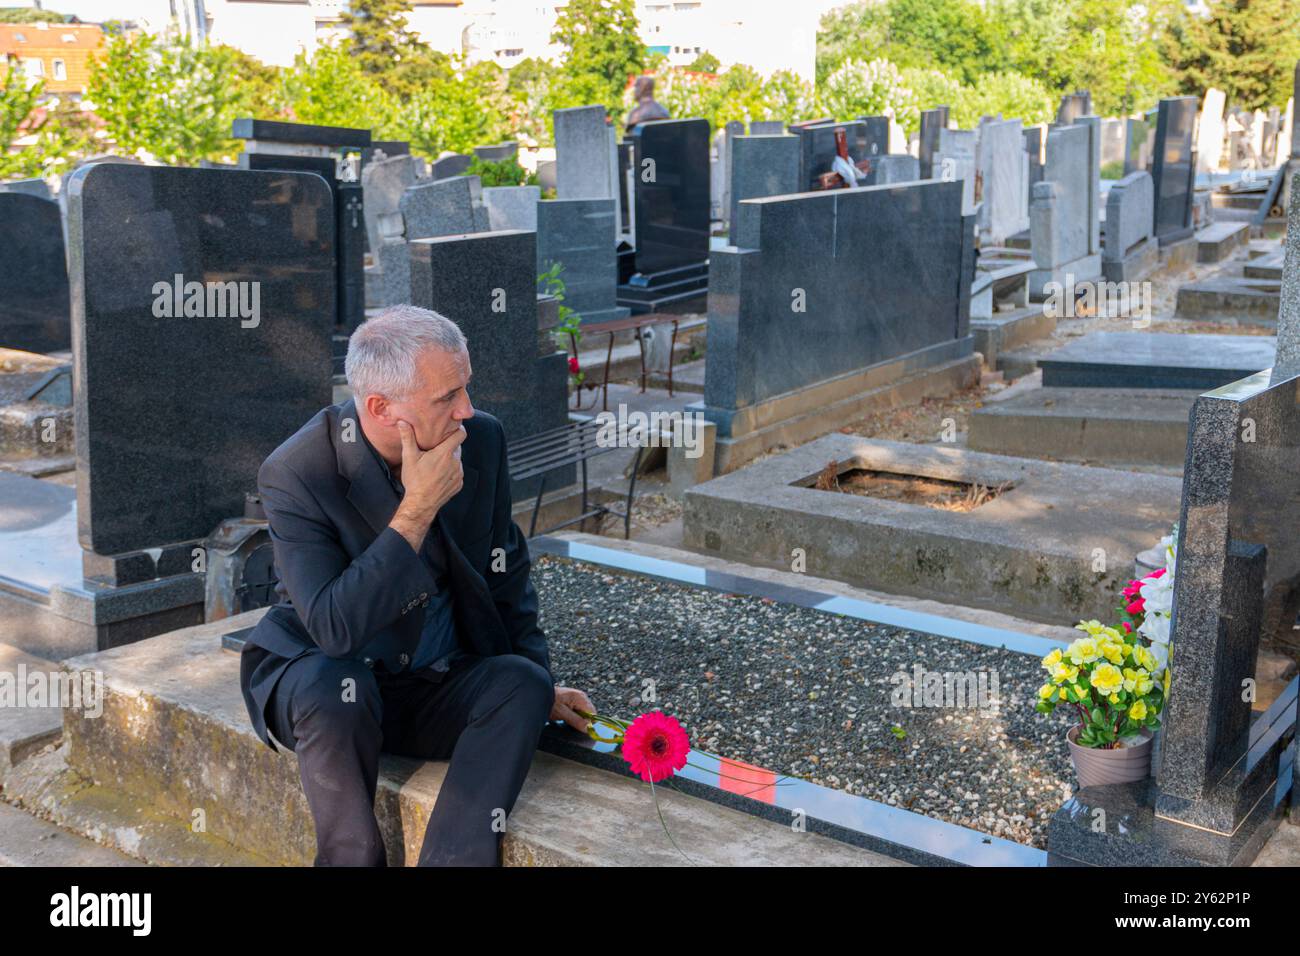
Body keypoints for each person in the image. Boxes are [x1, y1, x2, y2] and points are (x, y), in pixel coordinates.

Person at [238, 304, 594, 866]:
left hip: (428, 685)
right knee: (336, 689)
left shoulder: (481, 438)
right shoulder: (298, 472)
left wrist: (540, 686)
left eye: (465, 388)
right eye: (447, 397)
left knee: (521, 683)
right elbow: (333, 628)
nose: (466, 410)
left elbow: (507, 573)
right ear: (380, 408)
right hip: (330, 681)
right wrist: (417, 510)